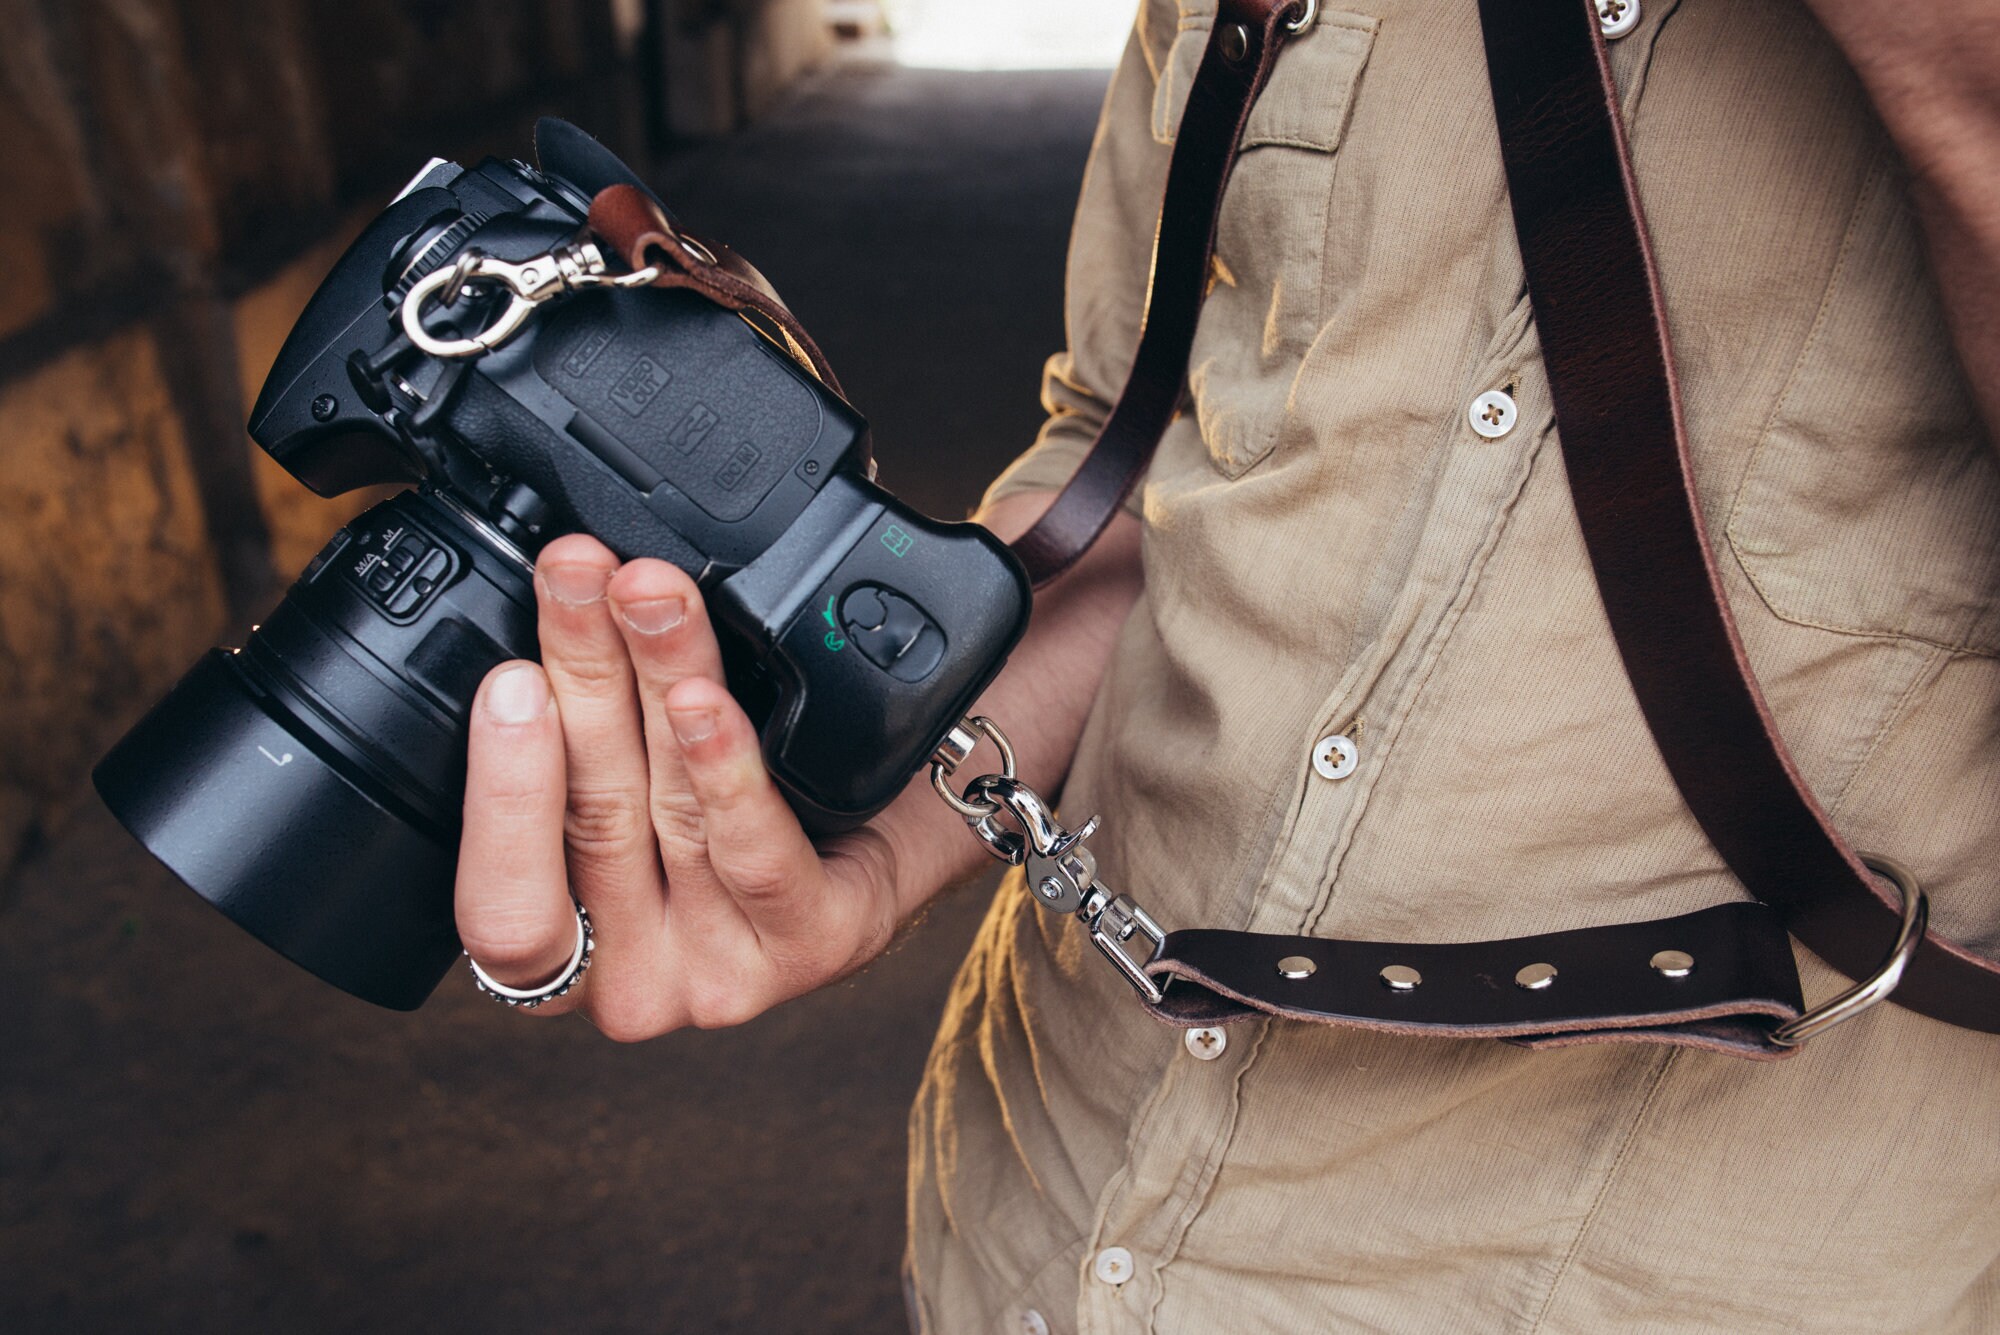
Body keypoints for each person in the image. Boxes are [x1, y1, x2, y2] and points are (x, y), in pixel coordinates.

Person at [450, 0, 2000, 1329]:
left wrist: (1946, 79)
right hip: (1035, 1202)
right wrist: (861, 844)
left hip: (1669, 1268)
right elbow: (1134, 460)